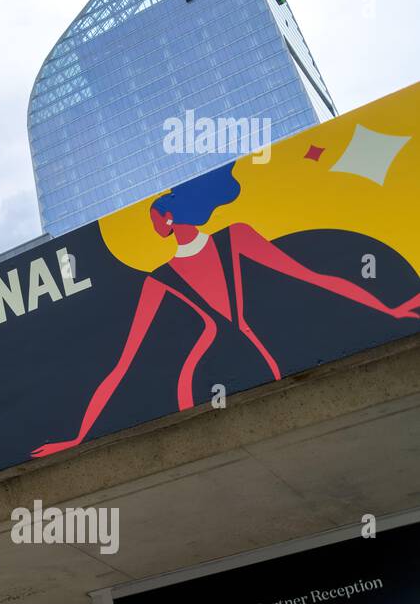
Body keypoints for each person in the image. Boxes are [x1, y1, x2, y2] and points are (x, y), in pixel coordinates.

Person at [31, 164, 420, 458]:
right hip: (215, 368)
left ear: (169, 217)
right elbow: (124, 362)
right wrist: (78, 436)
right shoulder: (167, 274)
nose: (153, 226)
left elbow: (310, 276)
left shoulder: (226, 241)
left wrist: (390, 310)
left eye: (154, 218)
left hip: (219, 365)